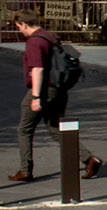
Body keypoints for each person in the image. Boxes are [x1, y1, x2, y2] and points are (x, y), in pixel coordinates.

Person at [10, 16, 100, 183]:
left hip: (43, 89)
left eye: (18, 27)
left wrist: (36, 97)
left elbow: (37, 69)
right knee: (56, 128)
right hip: (59, 89)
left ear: (23, 23)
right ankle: (89, 159)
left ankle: (25, 170)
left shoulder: (34, 42)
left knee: (24, 129)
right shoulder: (50, 36)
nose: (19, 31)